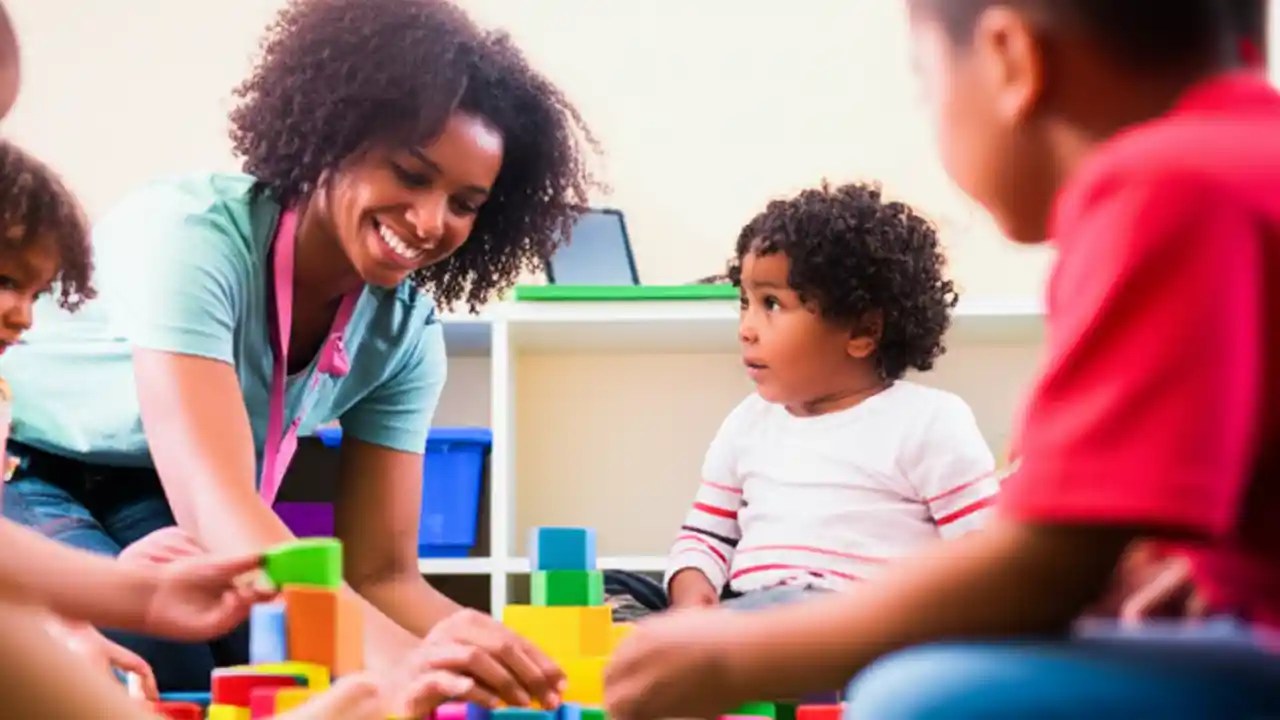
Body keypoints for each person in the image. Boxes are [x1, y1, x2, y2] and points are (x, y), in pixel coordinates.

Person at [601, 1, 1280, 718]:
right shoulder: (1238, 160)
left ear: (1012, 59)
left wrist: (739, 657)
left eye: (926, 80)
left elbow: (1044, 568)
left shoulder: (1162, 190)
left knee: (915, 698)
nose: (748, 325)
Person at [0, 0, 595, 702]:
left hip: (154, 494)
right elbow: (214, 502)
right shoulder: (192, 236)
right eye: (410, 174)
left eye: (464, 203)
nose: (430, 220)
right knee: (159, 655)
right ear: (334, 138)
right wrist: (407, 667)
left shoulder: (404, 334)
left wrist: (510, 671)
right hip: (32, 466)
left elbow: (383, 575)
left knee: (266, 649)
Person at [664, 182, 997, 612]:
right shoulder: (748, 422)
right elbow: (706, 537)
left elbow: (983, 551)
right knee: (624, 599)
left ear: (861, 331)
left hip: (862, 619)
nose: (746, 328)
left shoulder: (929, 421)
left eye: (772, 304)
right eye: (745, 302)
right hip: (753, 613)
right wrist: (691, 596)